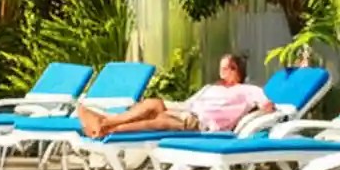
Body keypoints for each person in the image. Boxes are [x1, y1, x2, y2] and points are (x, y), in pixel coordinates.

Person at [77, 53, 274, 138]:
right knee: (153, 103)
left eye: (227, 68)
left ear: (236, 70)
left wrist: (272, 112)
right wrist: (174, 106)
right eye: (222, 68)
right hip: (187, 110)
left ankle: (106, 127)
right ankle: (106, 123)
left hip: (201, 123)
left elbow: (267, 105)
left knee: (159, 118)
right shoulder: (212, 88)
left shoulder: (248, 89)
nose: (222, 72)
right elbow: (188, 103)